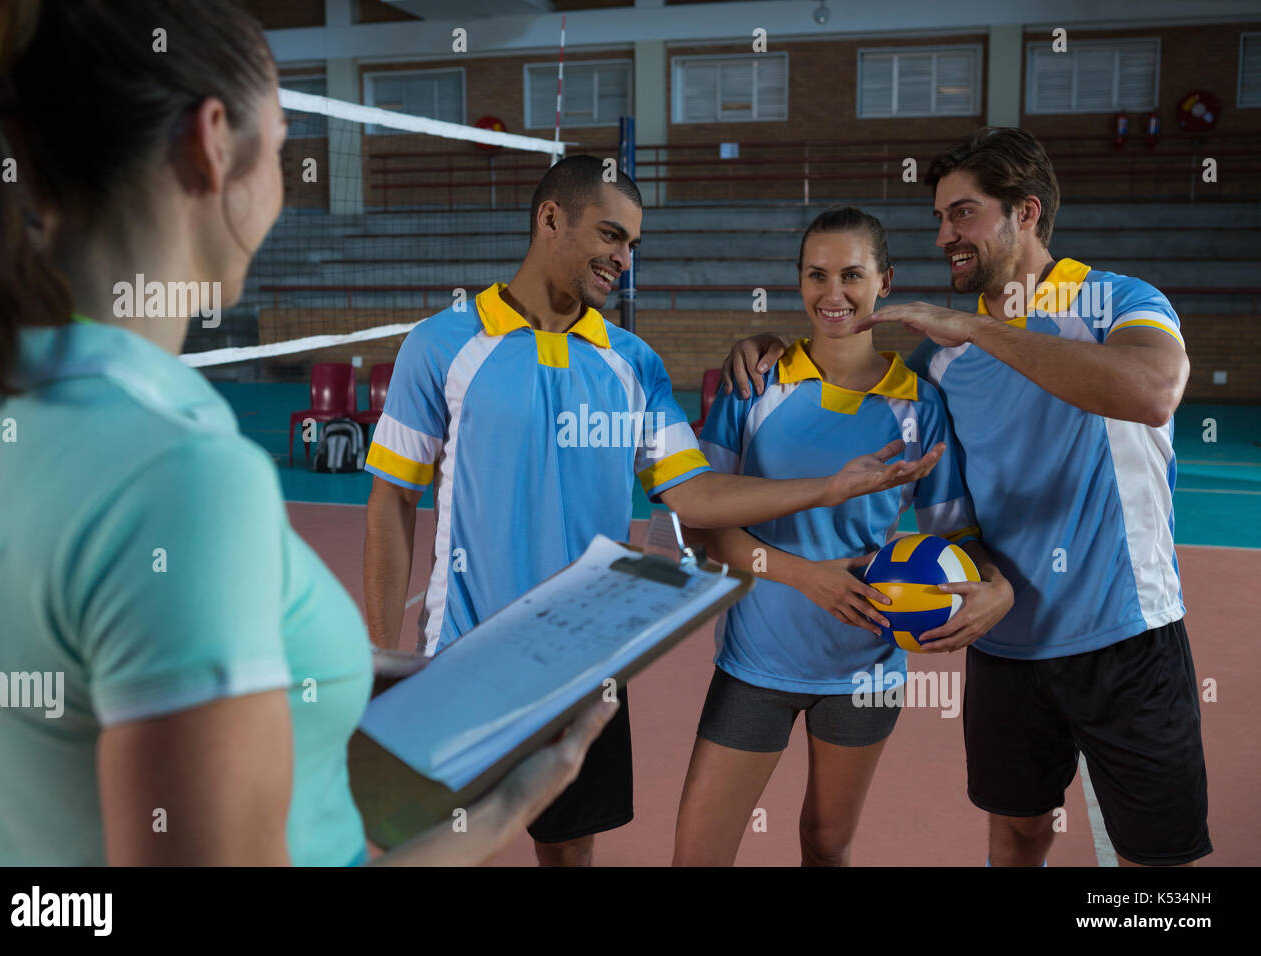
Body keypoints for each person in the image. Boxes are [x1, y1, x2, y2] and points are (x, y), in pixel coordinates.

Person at [0, 0, 616, 867]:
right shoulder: (179, 479)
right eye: (278, 144)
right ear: (211, 144)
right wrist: (494, 818)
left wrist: (359, 675)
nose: (282, 175)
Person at [363, 158, 946, 867]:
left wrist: (827, 488)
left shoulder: (633, 364)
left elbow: (696, 496)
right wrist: (378, 657)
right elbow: (392, 500)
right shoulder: (442, 343)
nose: (623, 259)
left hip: (583, 664)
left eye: (633, 245)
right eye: (611, 235)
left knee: (571, 850)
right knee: (431, 851)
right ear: (551, 220)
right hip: (457, 658)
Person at [721, 127, 1209, 867]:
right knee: (1016, 835)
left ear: (1026, 213)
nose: (946, 235)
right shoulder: (938, 359)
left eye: (965, 214)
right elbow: (934, 483)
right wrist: (763, 343)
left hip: (1125, 634)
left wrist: (983, 328)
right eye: (941, 219)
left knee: (1155, 864)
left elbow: (1150, 392)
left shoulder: (1116, 301)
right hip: (1002, 643)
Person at [672, 207, 1012, 867]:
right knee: (699, 855)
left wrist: (990, 588)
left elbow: (952, 537)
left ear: (885, 280)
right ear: (798, 283)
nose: (834, 294)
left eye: (851, 275)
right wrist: (806, 575)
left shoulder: (920, 406)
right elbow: (705, 530)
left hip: (867, 666)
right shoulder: (753, 385)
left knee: (827, 845)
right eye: (817, 275)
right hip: (756, 662)